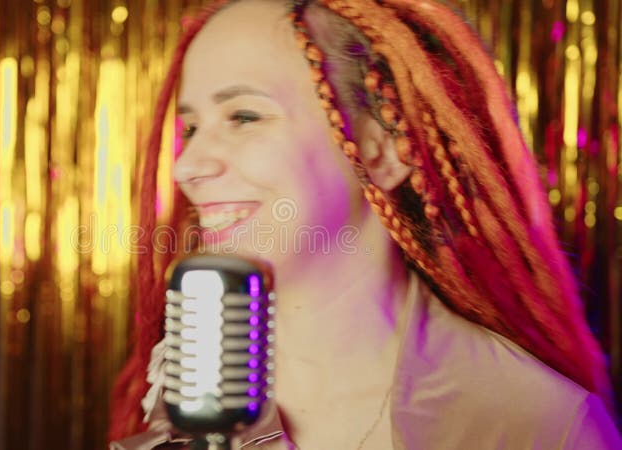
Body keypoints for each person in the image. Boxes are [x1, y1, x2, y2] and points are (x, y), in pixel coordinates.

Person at [107, 0, 622, 449]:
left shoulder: (535, 425)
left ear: (381, 150)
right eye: (191, 128)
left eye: (244, 117)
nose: (186, 167)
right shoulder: (177, 388)